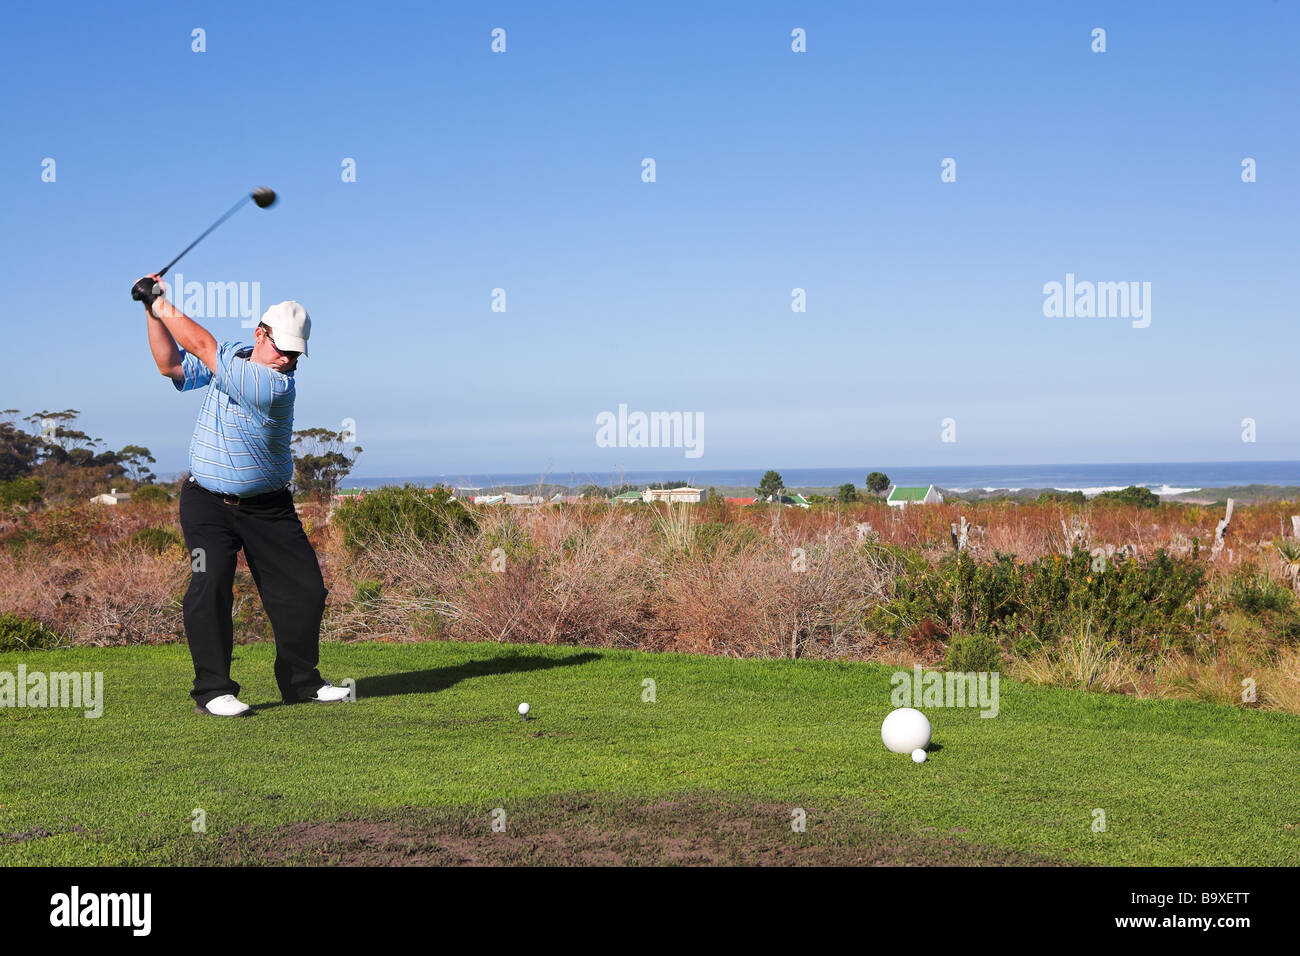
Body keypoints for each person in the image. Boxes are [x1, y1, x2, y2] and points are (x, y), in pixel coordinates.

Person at [134, 274, 350, 716]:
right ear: (260, 335)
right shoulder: (235, 353)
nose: (287, 361)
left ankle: (301, 683)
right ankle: (213, 691)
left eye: (295, 354)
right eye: (281, 350)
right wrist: (151, 312)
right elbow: (171, 365)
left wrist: (162, 302)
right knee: (210, 579)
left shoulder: (275, 387)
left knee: (306, 590)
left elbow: (200, 345)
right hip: (206, 500)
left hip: (267, 505)